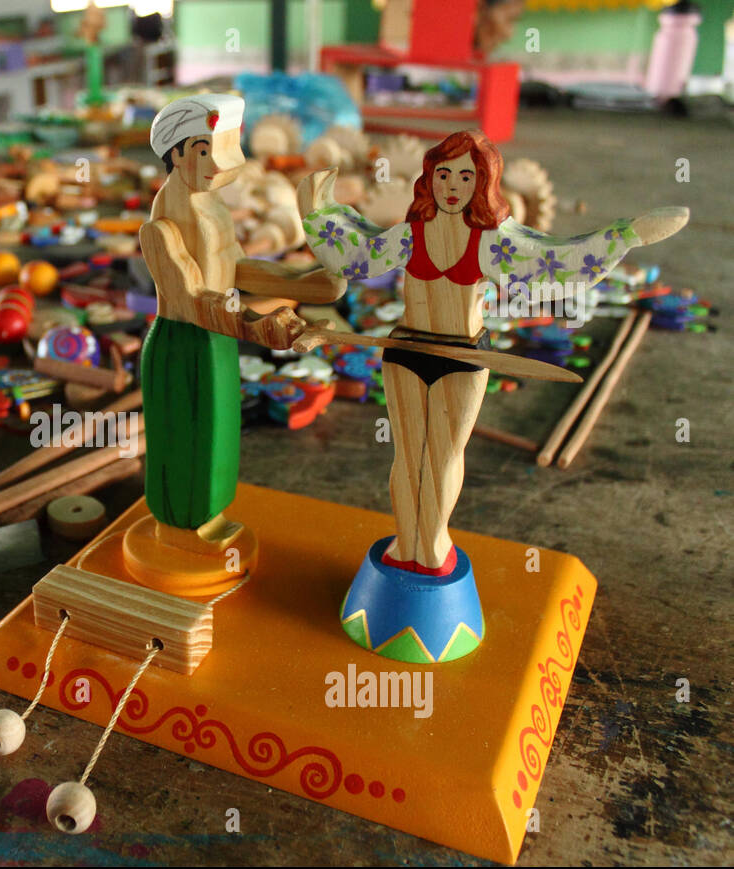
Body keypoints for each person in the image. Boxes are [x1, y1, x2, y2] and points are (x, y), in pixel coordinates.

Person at [299, 129, 687, 575]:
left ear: (483, 183)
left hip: (464, 359)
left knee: (443, 457)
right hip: (404, 351)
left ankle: (432, 544)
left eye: (466, 177)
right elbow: (355, 255)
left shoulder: (490, 242)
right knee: (408, 457)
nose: (452, 186)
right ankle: (407, 543)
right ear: (429, 178)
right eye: (443, 174)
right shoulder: (410, 235)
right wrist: (315, 208)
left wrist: (627, 236)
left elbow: (557, 266)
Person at [140, 93, 344, 555]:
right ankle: (181, 529)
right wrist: (257, 324)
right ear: (176, 154)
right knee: (187, 439)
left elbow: (238, 270)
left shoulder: (211, 207)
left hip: (217, 342)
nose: (222, 163)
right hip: (183, 345)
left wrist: (310, 284)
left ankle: (208, 516)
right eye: (206, 150)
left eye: (225, 148)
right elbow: (192, 299)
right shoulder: (162, 225)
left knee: (219, 437)